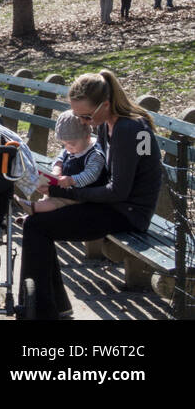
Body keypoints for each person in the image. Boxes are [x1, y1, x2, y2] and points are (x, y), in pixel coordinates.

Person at [19, 70, 162, 319]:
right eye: (78, 116)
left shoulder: (128, 129)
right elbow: (107, 179)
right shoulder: (110, 125)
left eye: (86, 116)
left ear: (105, 105)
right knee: (37, 224)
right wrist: (60, 183)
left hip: (127, 212)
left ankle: (41, 311)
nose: (84, 122)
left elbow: (118, 190)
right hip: (115, 205)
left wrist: (63, 191)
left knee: (37, 226)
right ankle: (52, 306)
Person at [24, 110, 107, 215]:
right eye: (64, 144)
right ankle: (33, 213)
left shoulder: (94, 154)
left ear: (87, 137)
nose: (68, 147)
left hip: (80, 195)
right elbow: (60, 158)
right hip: (64, 188)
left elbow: (91, 174)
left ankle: (33, 208)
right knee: (48, 196)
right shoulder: (71, 148)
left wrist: (72, 180)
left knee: (56, 202)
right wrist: (57, 170)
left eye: (71, 144)